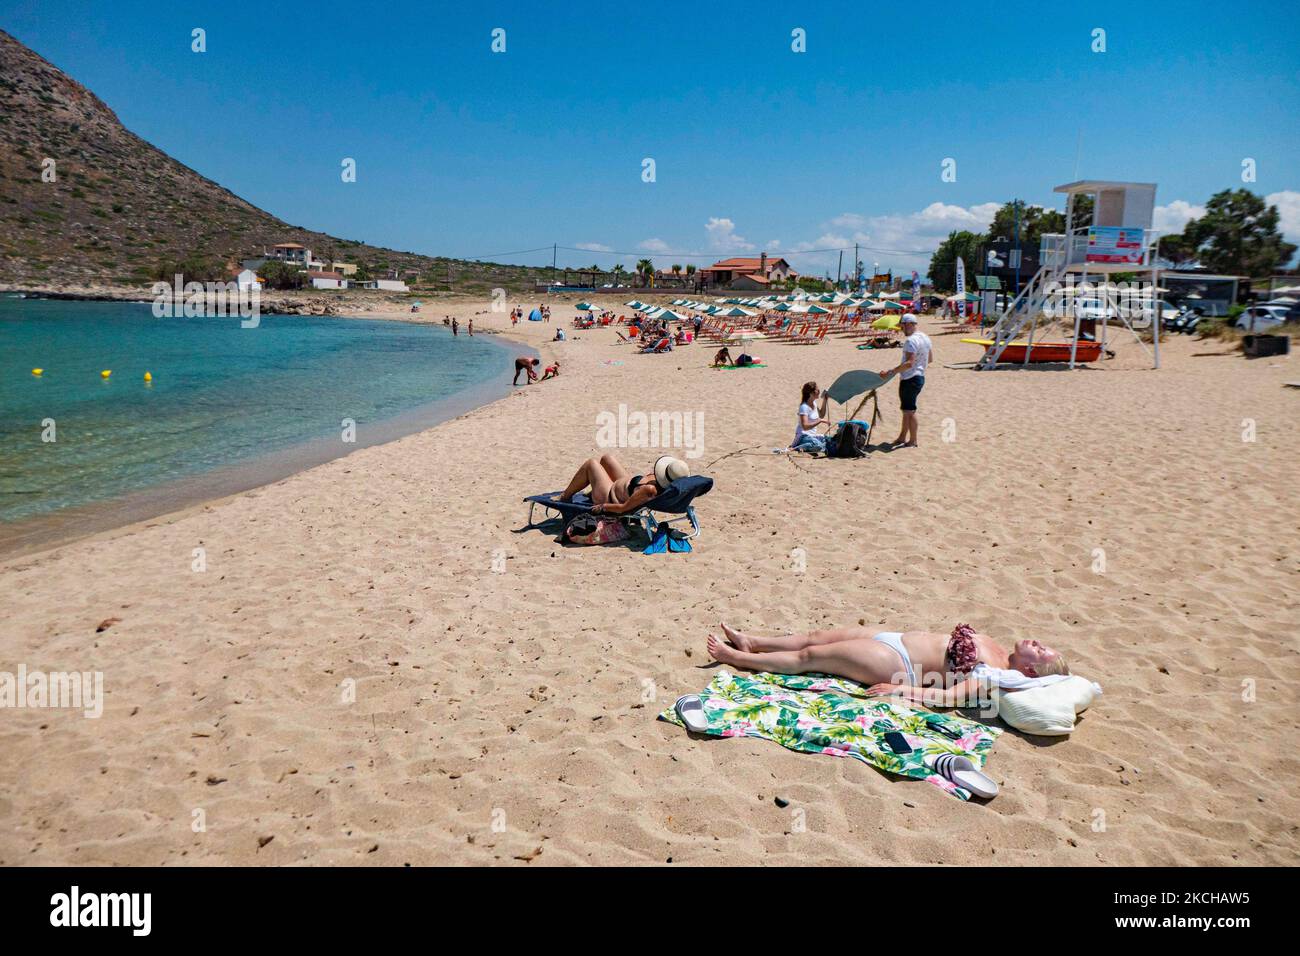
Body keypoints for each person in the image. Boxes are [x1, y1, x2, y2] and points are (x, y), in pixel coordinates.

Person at [706, 621, 1070, 707]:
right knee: (817, 636)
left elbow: (953, 697)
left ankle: (737, 657)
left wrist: (902, 690)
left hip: (899, 663)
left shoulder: (997, 673)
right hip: (894, 638)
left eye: (1042, 652)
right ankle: (754, 641)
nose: (1038, 644)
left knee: (811, 659)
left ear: (1031, 671)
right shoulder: (999, 648)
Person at [559, 453, 689, 514]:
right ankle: (593, 490)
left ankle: (565, 496)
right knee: (607, 458)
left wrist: (603, 506)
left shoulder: (649, 490)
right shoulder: (663, 483)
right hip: (624, 486)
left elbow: (623, 508)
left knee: (591, 464)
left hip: (609, 495)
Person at [881, 313, 931, 447]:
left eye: (902, 326)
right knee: (906, 409)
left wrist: (891, 371)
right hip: (919, 377)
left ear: (908, 324)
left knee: (910, 410)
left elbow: (909, 363)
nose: (901, 329)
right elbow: (930, 359)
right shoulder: (925, 337)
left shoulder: (911, 341)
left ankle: (913, 440)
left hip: (910, 378)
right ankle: (902, 437)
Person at [790, 381, 831, 452]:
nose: (819, 391)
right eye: (817, 390)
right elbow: (805, 427)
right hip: (803, 436)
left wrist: (825, 400)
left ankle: (805, 447)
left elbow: (821, 414)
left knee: (829, 440)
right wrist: (819, 421)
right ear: (811, 393)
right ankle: (796, 448)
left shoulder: (814, 403)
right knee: (819, 446)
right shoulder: (804, 407)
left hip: (812, 436)